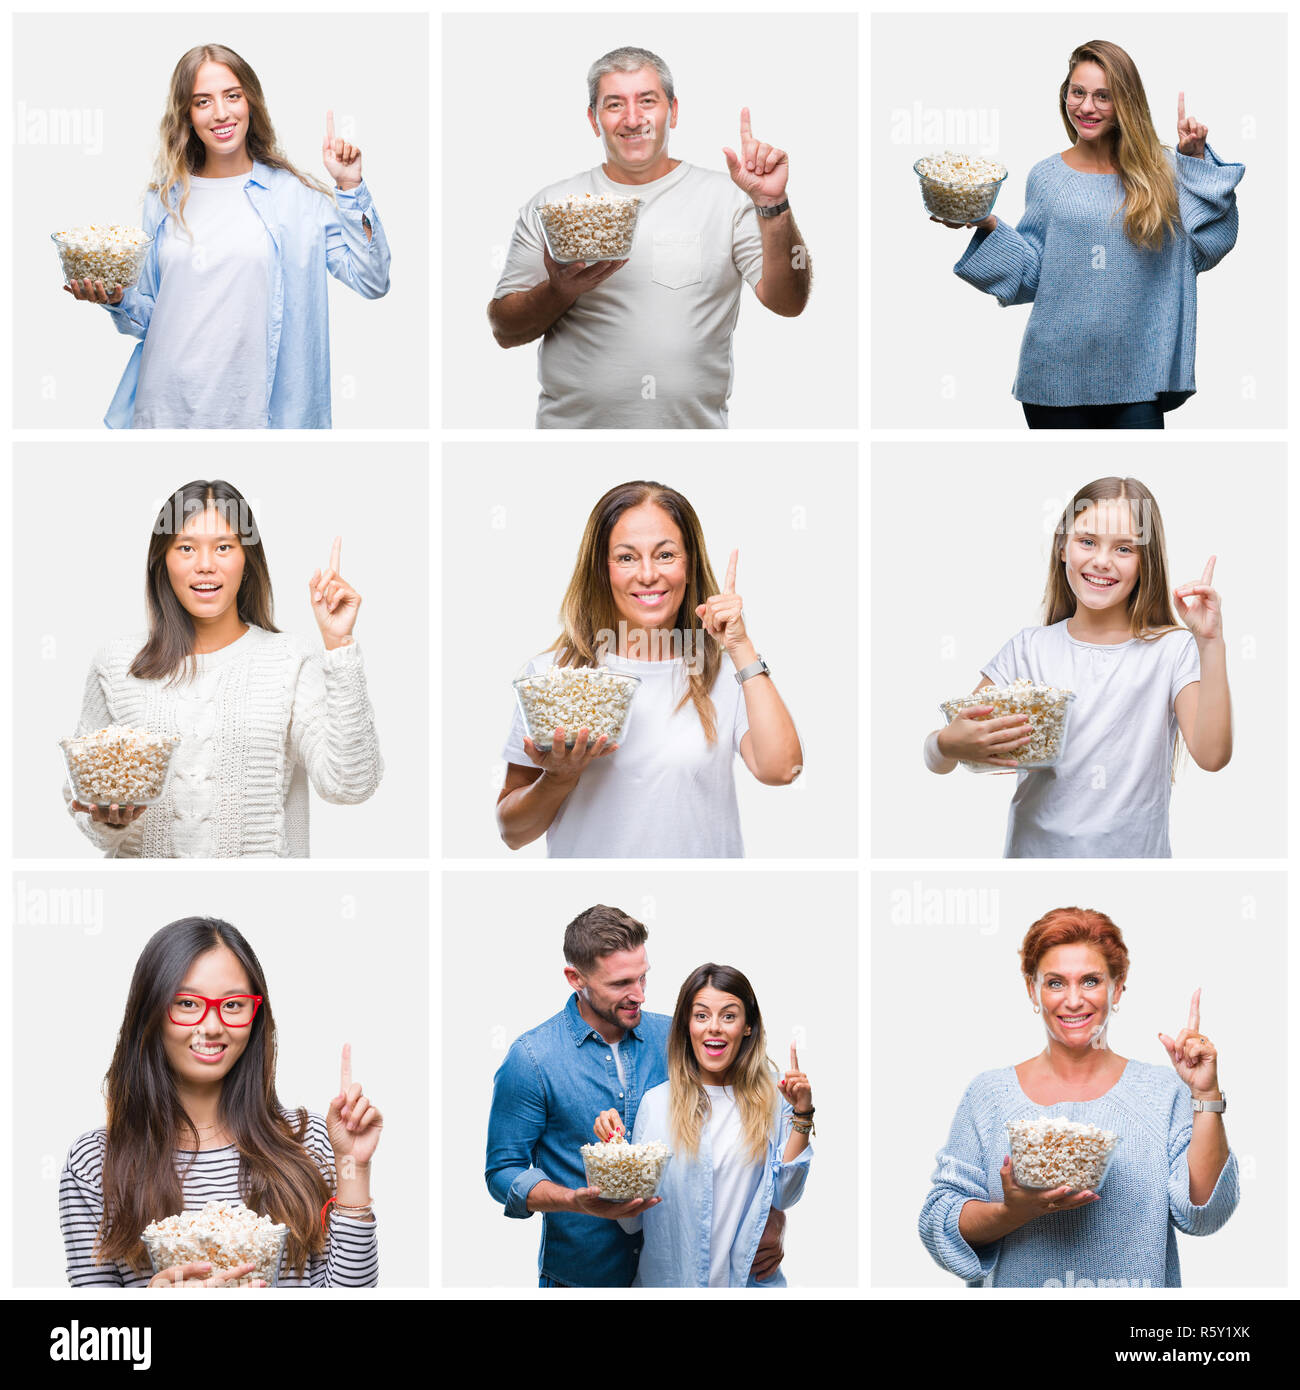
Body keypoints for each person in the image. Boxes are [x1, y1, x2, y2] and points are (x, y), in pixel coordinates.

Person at [63, 43, 390, 428]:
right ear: (186, 114)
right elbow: (151, 316)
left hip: (264, 415)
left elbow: (372, 281)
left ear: (250, 101)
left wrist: (350, 187)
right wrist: (117, 299)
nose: (221, 113)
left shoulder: (297, 197)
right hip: (168, 410)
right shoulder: (163, 200)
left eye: (232, 96)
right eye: (202, 101)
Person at [489, 45, 811, 428]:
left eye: (647, 100)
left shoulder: (728, 200)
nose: (632, 118)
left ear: (672, 112)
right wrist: (558, 290)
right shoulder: (552, 206)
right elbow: (504, 331)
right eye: (613, 105)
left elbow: (788, 302)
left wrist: (774, 205)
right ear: (594, 120)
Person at [919, 907, 1237, 1288]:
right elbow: (940, 1220)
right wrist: (1012, 1212)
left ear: (1117, 988)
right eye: (1055, 983)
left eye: (1090, 981)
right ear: (1031, 990)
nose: (1073, 1000)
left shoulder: (1161, 1092)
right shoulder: (989, 1095)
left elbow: (1204, 1213)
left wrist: (1204, 1092)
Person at [64, 478, 382, 857]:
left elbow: (350, 785)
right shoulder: (118, 663)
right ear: (161, 562)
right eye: (186, 548)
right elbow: (84, 804)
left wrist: (339, 644)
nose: (205, 565)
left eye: (224, 547)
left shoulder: (290, 659)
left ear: (247, 558)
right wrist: (106, 819)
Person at [934, 40, 1243, 429]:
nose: (1086, 106)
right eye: (1077, 92)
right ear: (1065, 93)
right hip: (1053, 380)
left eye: (1103, 96)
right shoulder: (1047, 177)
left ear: (1126, 103)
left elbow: (1208, 245)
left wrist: (1195, 161)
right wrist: (988, 223)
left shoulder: (1164, 170)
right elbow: (1034, 278)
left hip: (1139, 377)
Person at [60, 916, 381, 1286]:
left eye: (233, 1004)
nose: (212, 1026)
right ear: (149, 1011)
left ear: (255, 1015)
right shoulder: (95, 1164)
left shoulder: (307, 1140)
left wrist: (352, 1168)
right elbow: (100, 1341)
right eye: (187, 1003)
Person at [922, 475, 1230, 856]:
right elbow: (942, 754)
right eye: (1087, 541)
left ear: (1145, 562)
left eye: (1124, 549)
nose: (1101, 560)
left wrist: (1209, 641)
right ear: (1063, 547)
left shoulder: (1171, 649)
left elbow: (1212, 755)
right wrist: (943, 744)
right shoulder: (1028, 649)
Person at [484, 906, 787, 1287]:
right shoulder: (532, 1058)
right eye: (621, 983)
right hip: (581, 1280)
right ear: (575, 978)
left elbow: (743, 1124)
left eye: (643, 978)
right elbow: (502, 1172)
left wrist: (773, 1216)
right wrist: (571, 1200)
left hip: (676, 1274)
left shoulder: (674, 1038)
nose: (639, 995)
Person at [497, 480, 802, 857]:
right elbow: (512, 833)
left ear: (689, 565)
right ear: (601, 571)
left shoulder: (725, 672)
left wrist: (740, 647)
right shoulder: (554, 676)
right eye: (626, 557)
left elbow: (782, 770)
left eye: (665, 555)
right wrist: (560, 778)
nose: (647, 574)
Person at [593, 962, 813, 1287]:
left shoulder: (775, 1096)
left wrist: (802, 1116)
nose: (714, 1027)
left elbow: (785, 1196)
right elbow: (632, 1223)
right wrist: (614, 1152)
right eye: (701, 1015)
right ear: (688, 1025)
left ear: (747, 1026)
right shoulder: (657, 1104)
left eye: (728, 1015)